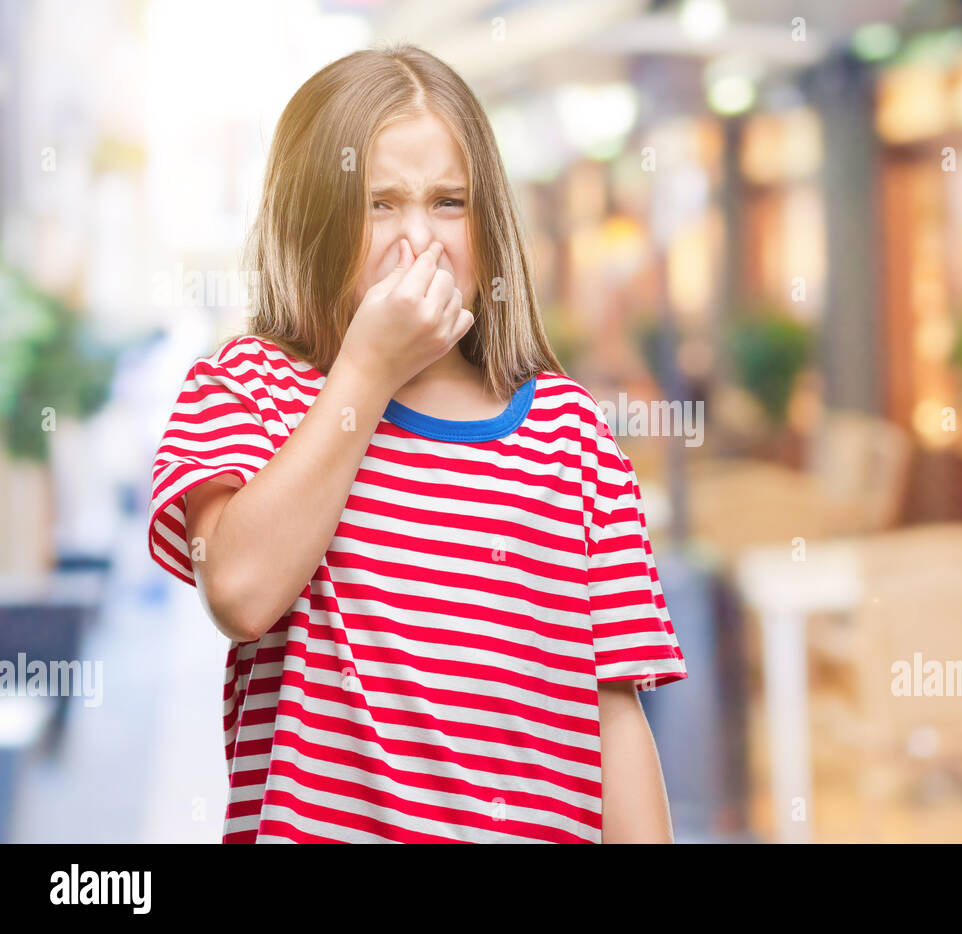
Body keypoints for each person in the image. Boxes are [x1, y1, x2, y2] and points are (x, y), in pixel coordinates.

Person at [146, 44, 687, 843]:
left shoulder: (571, 437)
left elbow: (615, 721)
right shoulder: (248, 390)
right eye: (379, 204)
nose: (417, 240)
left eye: (447, 202)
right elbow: (238, 592)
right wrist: (366, 369)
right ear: (315, 222)